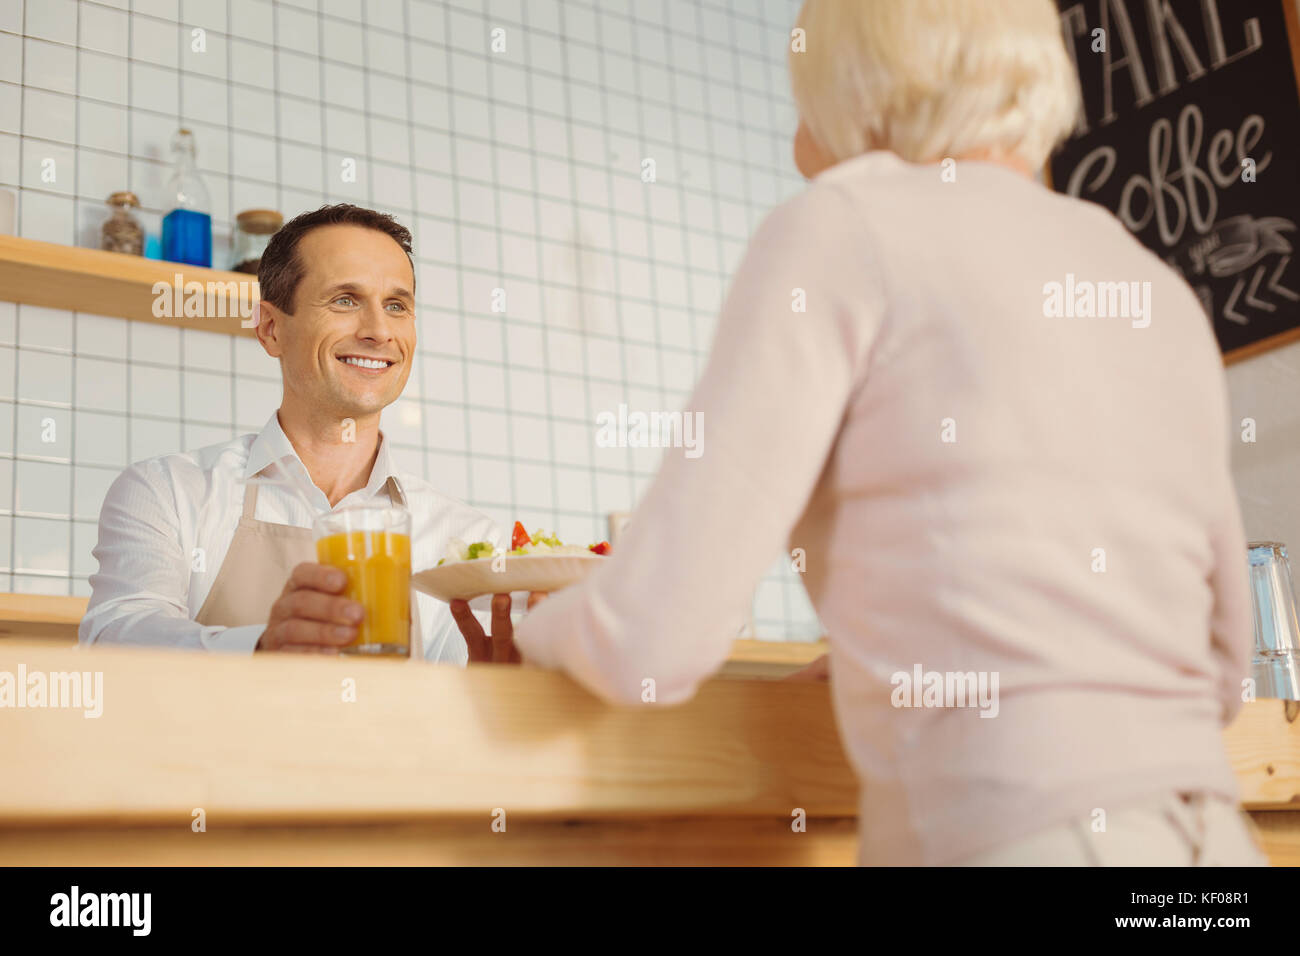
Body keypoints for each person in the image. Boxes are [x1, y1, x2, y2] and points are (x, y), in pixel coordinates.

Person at [455, 0, 1268, 866]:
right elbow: (1220, 663)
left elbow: (651, 640)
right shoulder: (1151, 282)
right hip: (1211, 849)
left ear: (857, 77)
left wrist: (541, 631)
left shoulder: (844, 225)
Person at [80, 204, 498, 661]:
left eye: (396, 305)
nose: (379, 331)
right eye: (345, 300)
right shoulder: (169, 493)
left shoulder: (467, 540)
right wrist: (261, 646)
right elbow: (114, 636)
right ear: (271, 328)